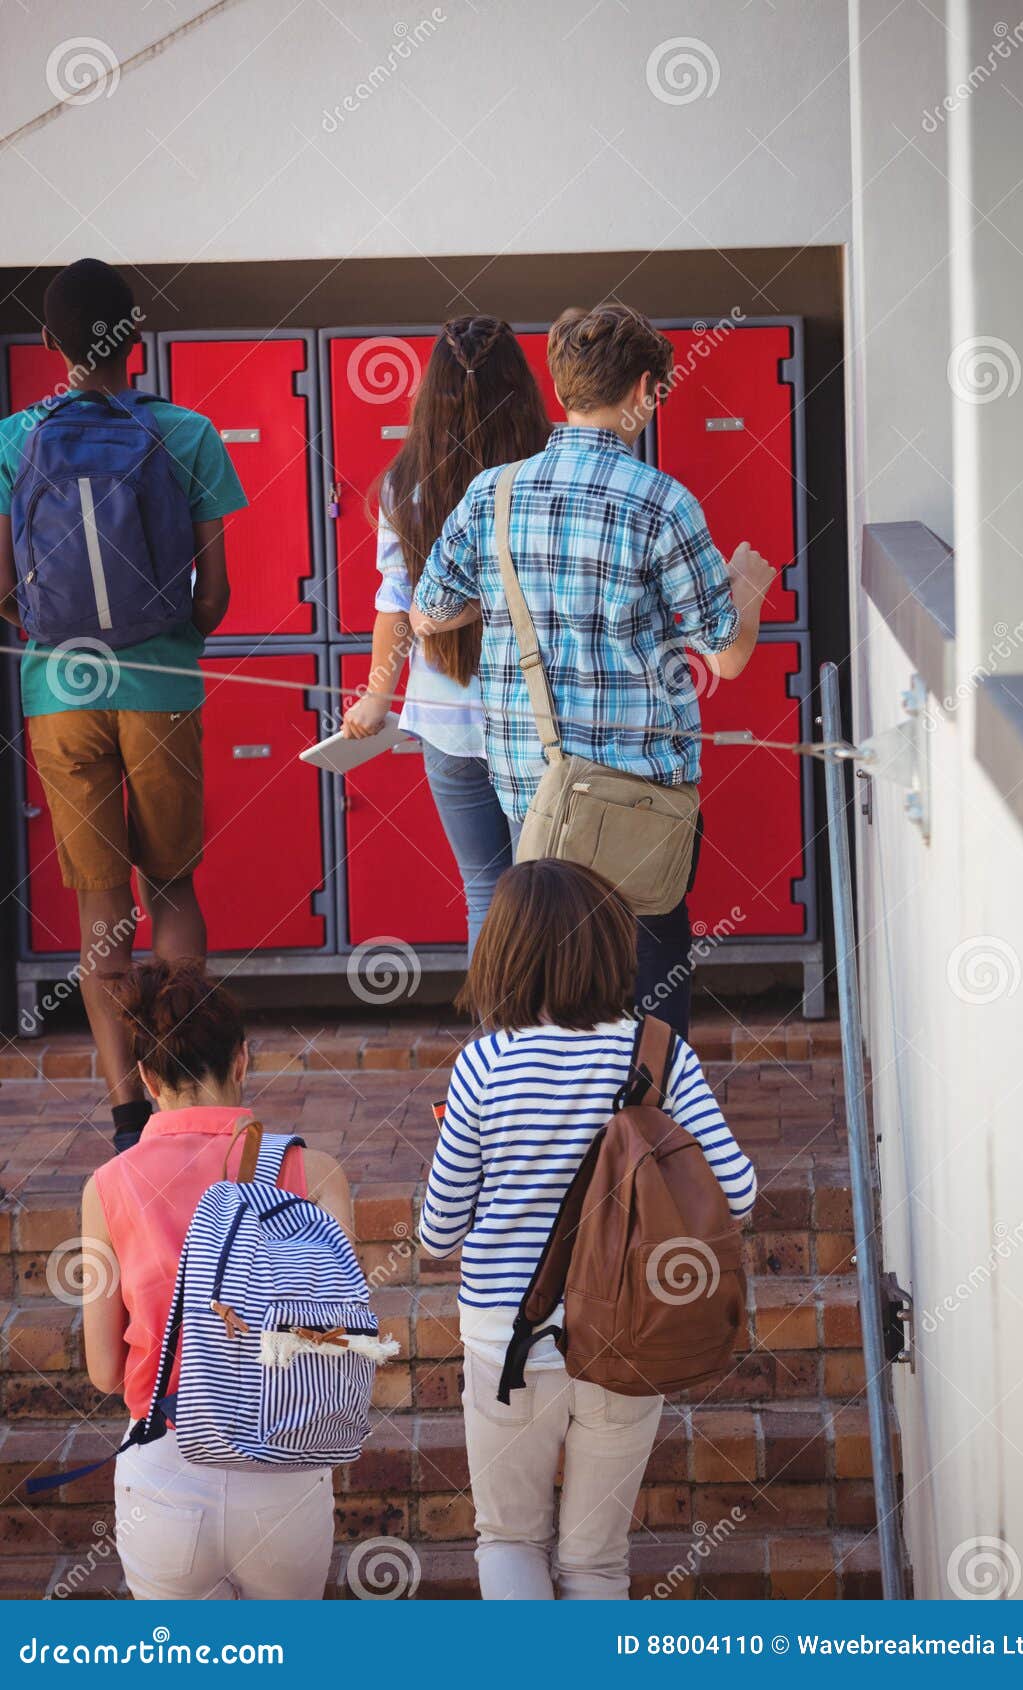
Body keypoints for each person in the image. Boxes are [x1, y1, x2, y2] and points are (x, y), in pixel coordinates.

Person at [410, 304, 777, 1035]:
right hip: (642, 789)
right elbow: (727, 656)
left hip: (535, 786)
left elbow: (427, 614)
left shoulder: (494, 492)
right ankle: (640, 1123)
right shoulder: (661, 501)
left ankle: (559, 1122)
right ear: (643, 390)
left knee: (553, 976)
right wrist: (751, 588)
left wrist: (520, 600)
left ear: (562, 388)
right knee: (649, 963)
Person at [418, 859, 756, 1600]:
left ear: (502, 953)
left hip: (507, 1342)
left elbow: (439, 1232)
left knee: (509, 1539)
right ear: (610, 945)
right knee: (596, 1563)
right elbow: (738, 1189)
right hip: (630, 1336)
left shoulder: (484, 1064)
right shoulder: (660, 1054)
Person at [0, 258, 246, 1153]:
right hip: (161, 688)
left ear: (48, 346)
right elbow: (214, 596)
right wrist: (171, 638)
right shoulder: (187, 433)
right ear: (136, 340)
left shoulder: (12, 441)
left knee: (102, 902)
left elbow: (4, 590)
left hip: (60, 696)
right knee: (172, 884)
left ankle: (124, 1114)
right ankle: (191, 1087)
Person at [81, 959, 353, 1600]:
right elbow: (339, 1339)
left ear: (145, 1076)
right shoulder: (315, 1174)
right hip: (288, 1459)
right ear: (243, 1059)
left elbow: (103, 1371)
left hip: (167, 1471)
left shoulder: (107, 1187)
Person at [341, 316, 551, 957]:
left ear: (429, 390)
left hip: (446, 718)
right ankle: (550, 1047)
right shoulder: (546, 468)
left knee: (486, 889)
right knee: (543, 892)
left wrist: (379, 697)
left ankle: (496, 1048)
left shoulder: (406, 480)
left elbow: (395, 603)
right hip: (540, 719)